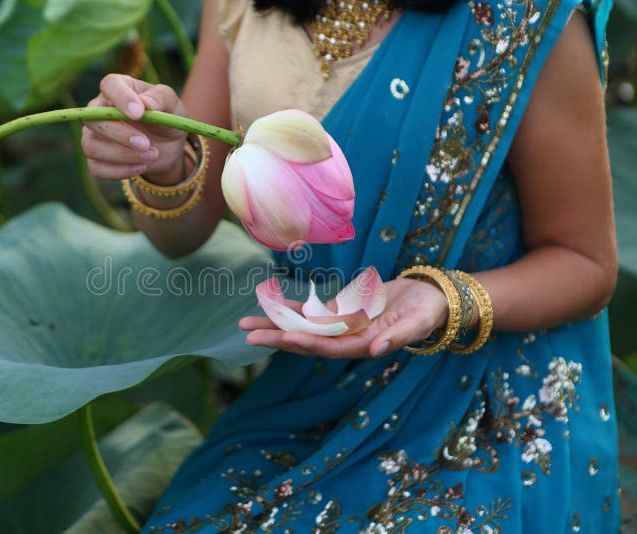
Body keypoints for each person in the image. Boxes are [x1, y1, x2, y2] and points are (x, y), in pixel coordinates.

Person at [81, 0, 620, 531]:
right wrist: (161, 162)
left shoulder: (526, 15)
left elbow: (585, 264)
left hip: (485, 394)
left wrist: (442, 298)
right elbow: (181, 234)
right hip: (315, 383)